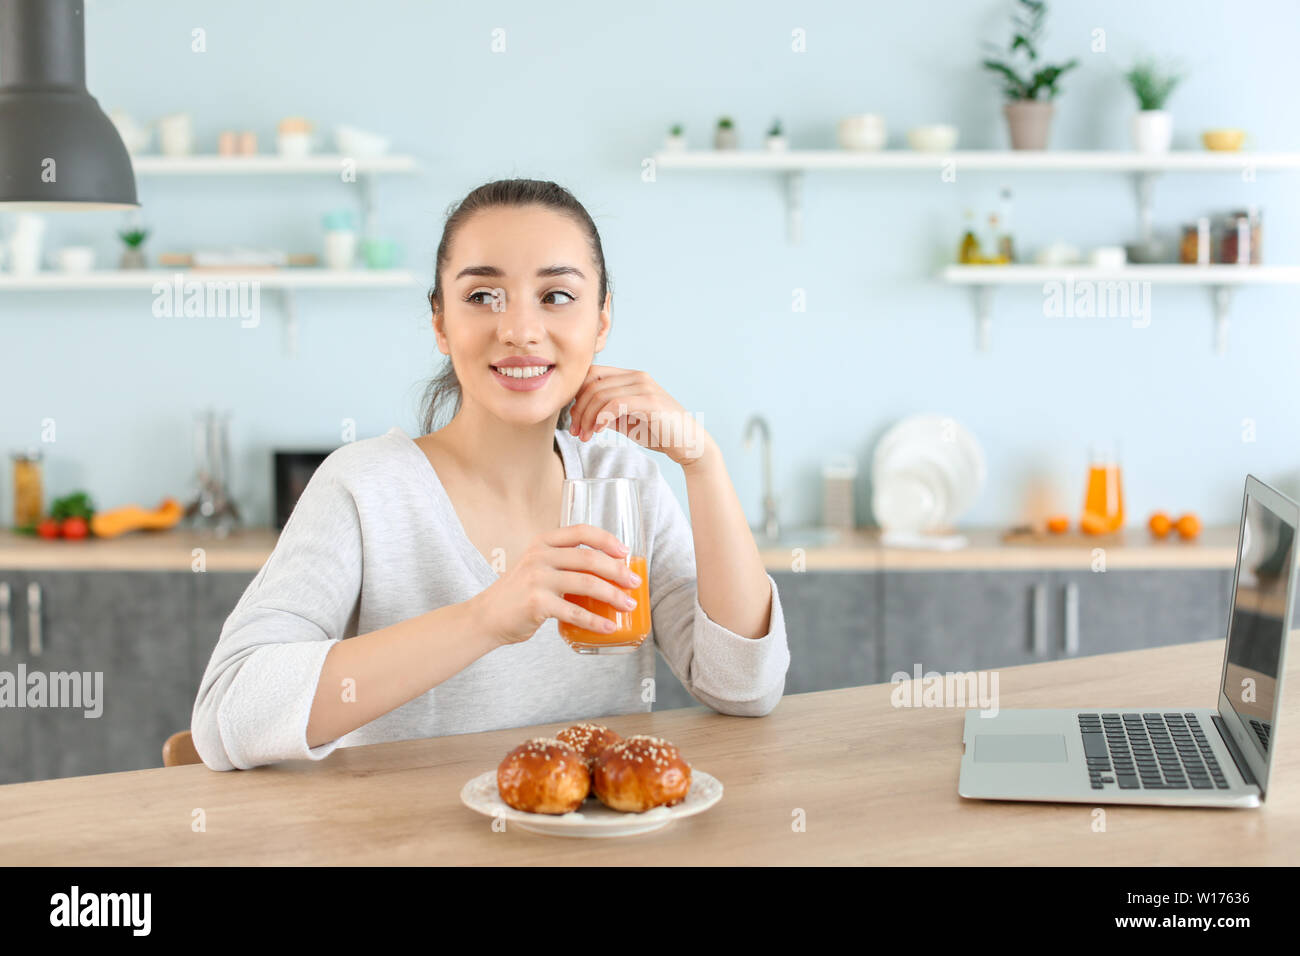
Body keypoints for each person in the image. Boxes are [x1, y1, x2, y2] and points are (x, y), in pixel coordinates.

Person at [192, 178, 790, 771]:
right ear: (440, 322)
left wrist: (702, 463)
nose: (520, 330)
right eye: (483, 296)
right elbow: (229, 715)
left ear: (602, 320)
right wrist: (486, 618)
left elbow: (744, 688)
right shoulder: (363, 486)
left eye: (556, 295)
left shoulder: (624, 484)